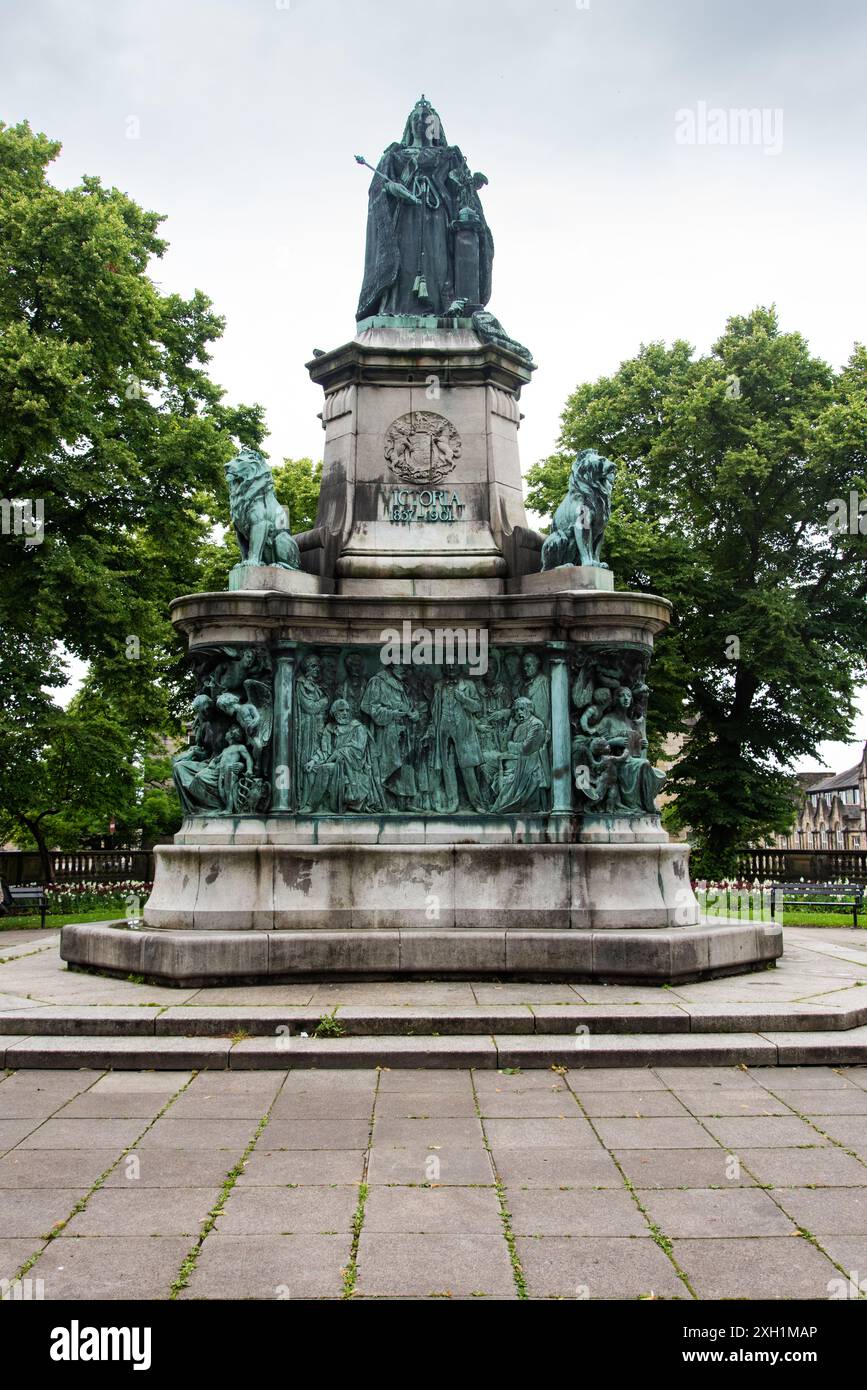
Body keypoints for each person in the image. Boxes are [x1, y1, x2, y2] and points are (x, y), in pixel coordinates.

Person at [304, 700, 383, 813]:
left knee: (324, 768)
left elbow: (359, 750)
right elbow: (324, 751)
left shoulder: (358, 727)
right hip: (336, 763)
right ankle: (316, 805)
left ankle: (311, 805)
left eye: (347, 710)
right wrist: (313, 760)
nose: (345, 713)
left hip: (353, 767)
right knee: (311, 769)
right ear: (334, 713)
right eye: (341, 710)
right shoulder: (329, 728)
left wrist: (340, 753)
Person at [360, 663, 419, 807]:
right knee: (387, 765)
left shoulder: (402, 684)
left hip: (404, 731)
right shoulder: (377, 681)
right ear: (392, 664)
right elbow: (373, 709)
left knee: (405, 764)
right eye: (402, 664)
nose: (405, 668)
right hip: (385, 732)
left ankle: (405, 802)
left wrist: (414, 714)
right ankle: (386, 802)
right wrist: (394, 714)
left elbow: (409, 707)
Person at [430, 665, 486, 812]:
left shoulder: (468, 685)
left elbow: (478, 706)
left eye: (453, 665)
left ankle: (477, 803)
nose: (450, 668)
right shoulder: (438, 686)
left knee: (467, 767)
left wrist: (464, 699)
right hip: (444, 730)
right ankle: (452, 803)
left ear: (460, 667)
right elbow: (435, 709)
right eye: (447, 666)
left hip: (463, 730)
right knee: (447, 768)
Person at [491, 698, 548, 814]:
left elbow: (526, 748)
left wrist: (511, 745)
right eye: (516, 710)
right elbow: (504, 747)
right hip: (518, 762)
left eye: (522, 709)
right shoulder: (519, 725)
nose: (519, 713)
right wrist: (511, 728)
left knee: (508, 784)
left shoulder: (536, 724)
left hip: (531, 763)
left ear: (529, 709)